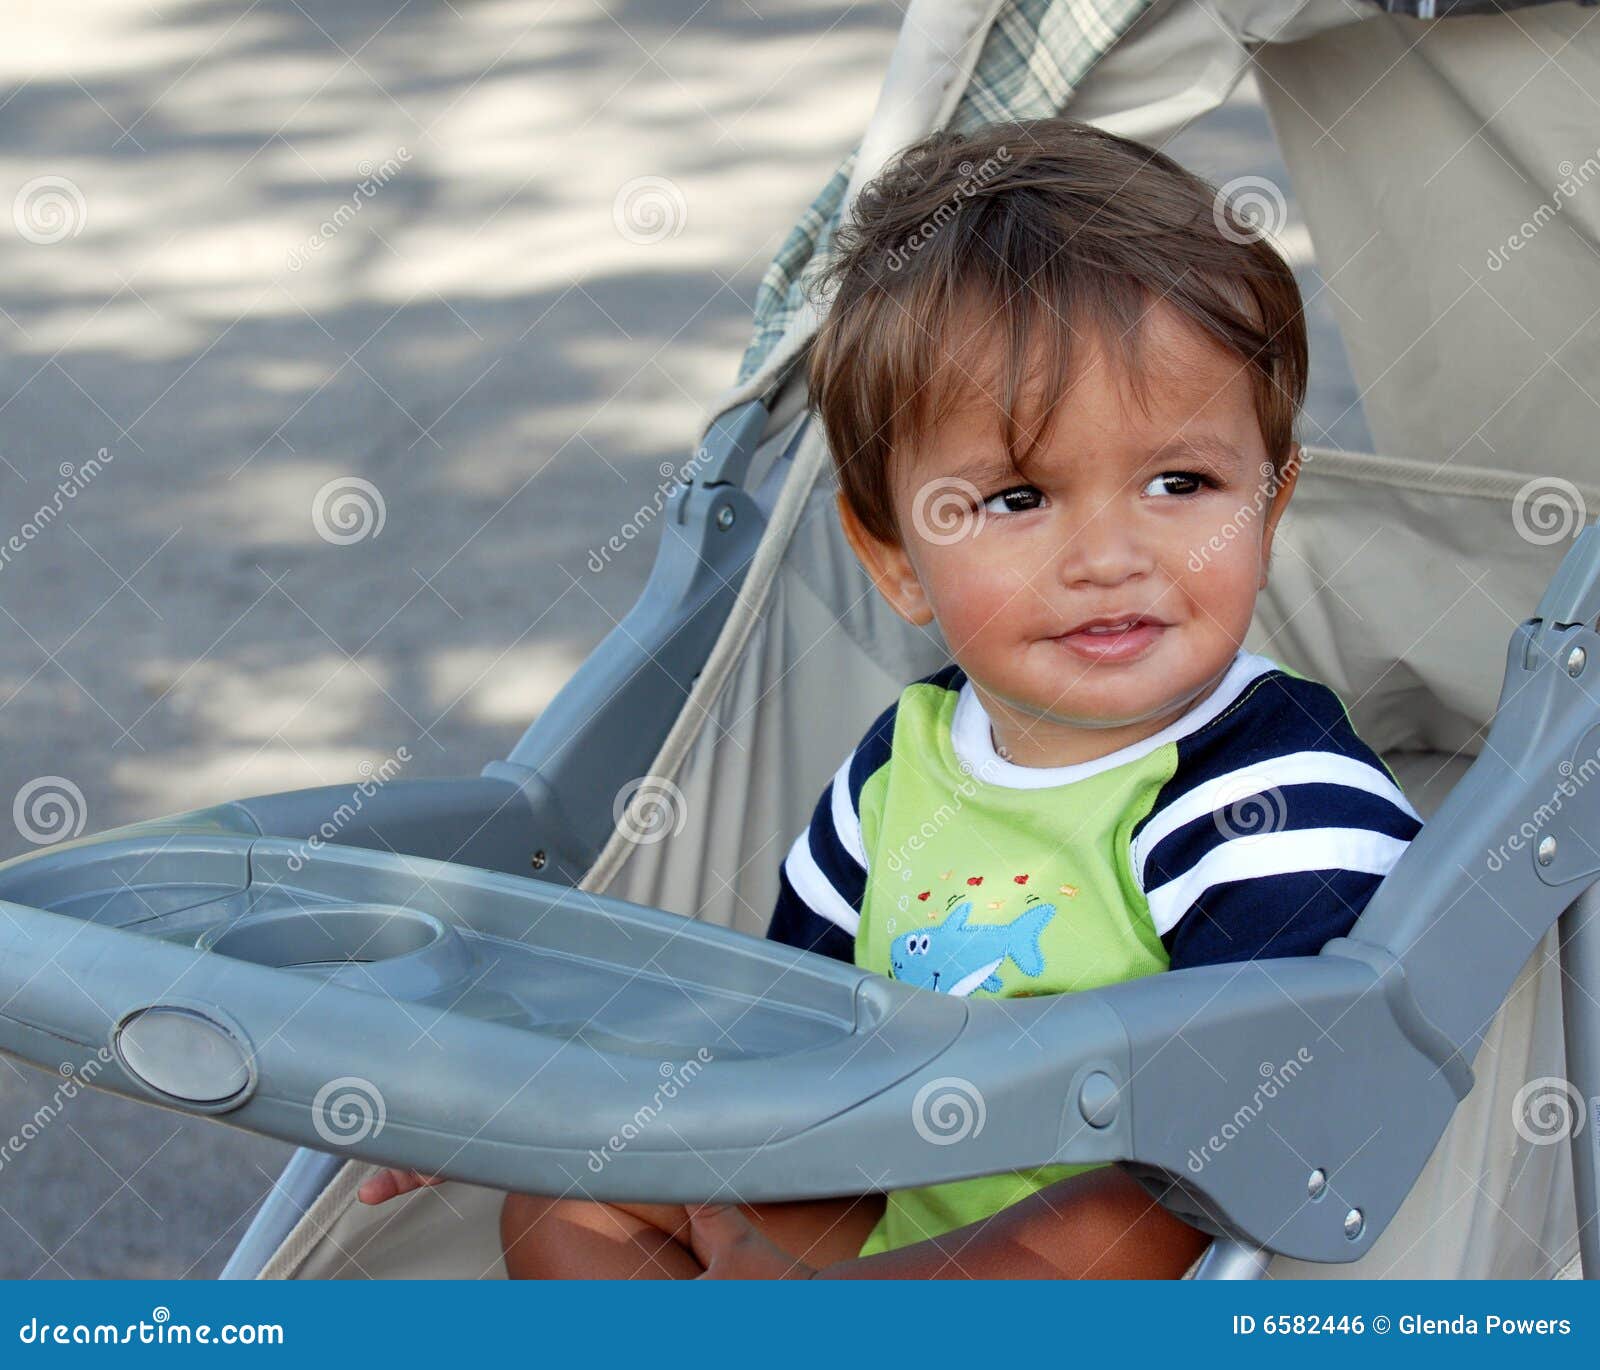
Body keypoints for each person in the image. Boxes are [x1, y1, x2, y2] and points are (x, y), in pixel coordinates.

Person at [359, 115, 1422, 1278]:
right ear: (895, 556)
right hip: (892, 1196)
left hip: (1111, 1245)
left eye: (1181, 481)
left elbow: (1266, 1130)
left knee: (1125, 1205)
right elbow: (784, 1042)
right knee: (573, 1194)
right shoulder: (894, 769)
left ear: (1266, 506)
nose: (1110, 554)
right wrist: (530, 1089)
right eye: (1019, 498)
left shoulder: (1274, 794)